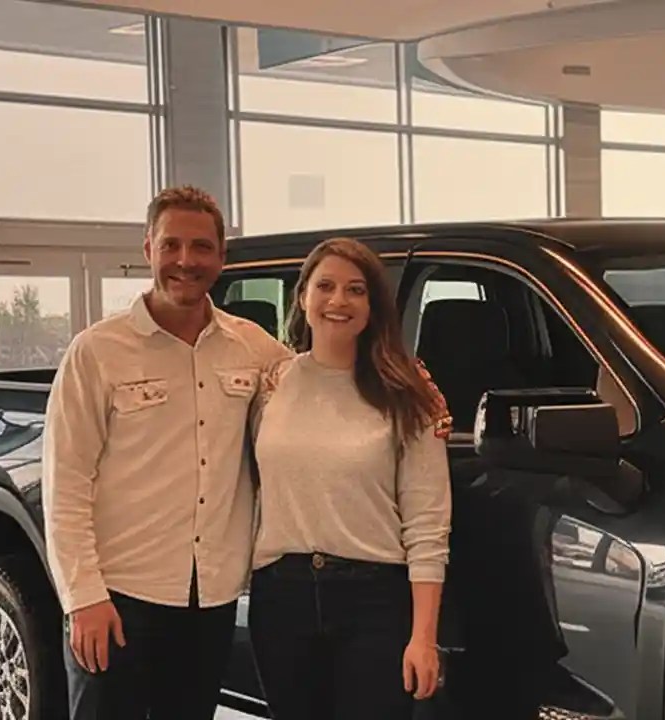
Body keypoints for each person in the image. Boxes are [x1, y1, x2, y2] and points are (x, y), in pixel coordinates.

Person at [41, 186, 449, 719]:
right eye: (172, 246)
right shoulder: (96, 353)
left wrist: (420, 391)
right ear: (148, 249)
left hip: (211, 600)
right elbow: (64, 484)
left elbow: (328, 376)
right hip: (120, 597)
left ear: (222, 256)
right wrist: (82, 596)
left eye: (202, 247)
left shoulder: (256, 352)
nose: (186, 261)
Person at [247, 237, 452, 720]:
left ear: (373, 305)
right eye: (326, 286)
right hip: (281, 598)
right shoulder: (269, 385)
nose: (338, 301)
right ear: (303, 297)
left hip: (375, 602)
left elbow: (428, 526)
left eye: (356, 290)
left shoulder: (408, 397)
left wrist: (423, 638)